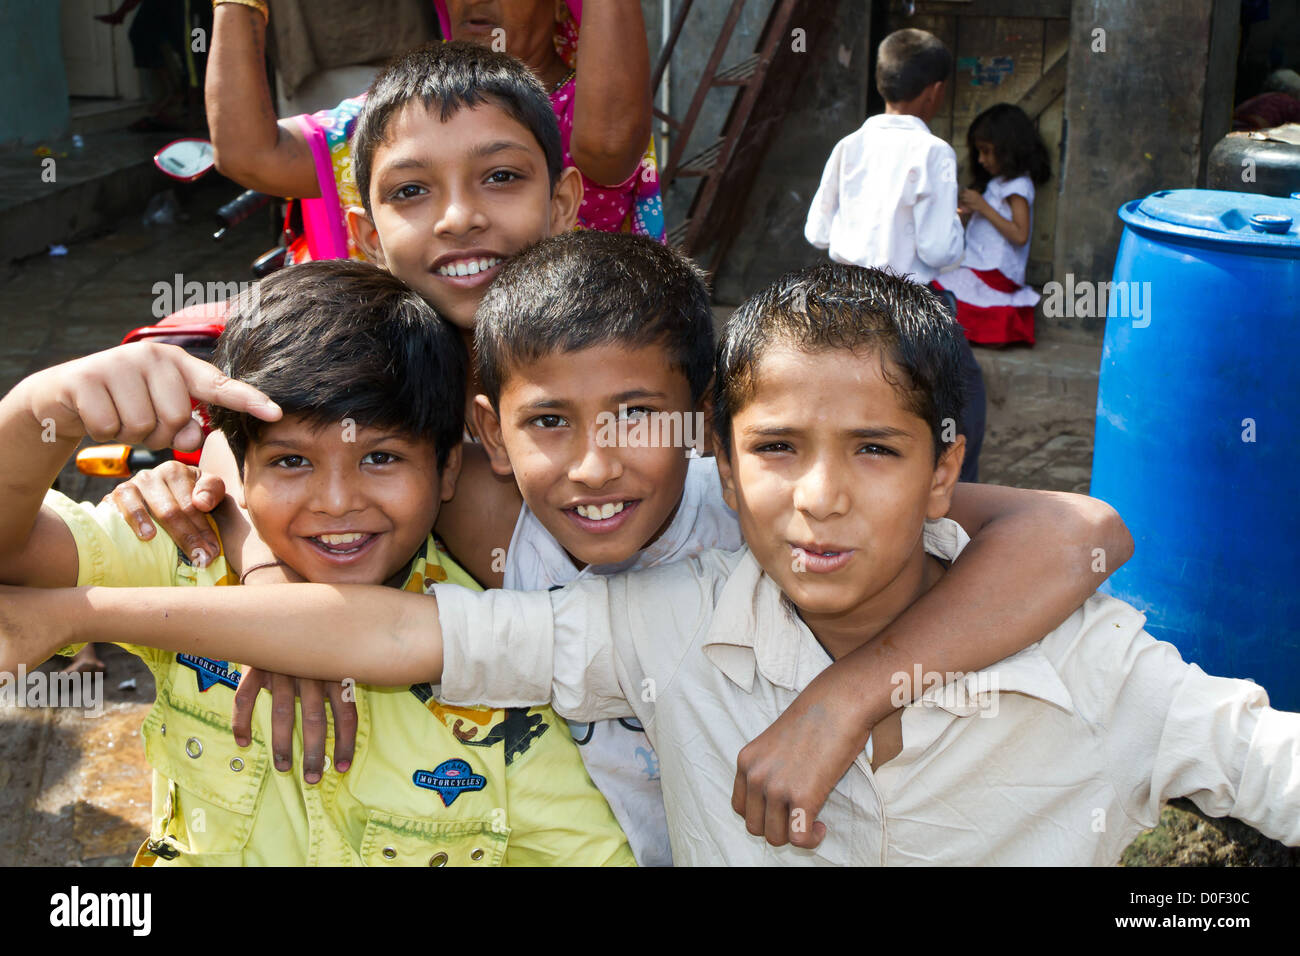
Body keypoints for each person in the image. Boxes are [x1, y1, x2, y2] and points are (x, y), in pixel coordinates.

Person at [19, 264, 1298, 865]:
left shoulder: (1097, 662)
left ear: (944, 466)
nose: (820, 496)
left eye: (873, 450)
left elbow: (1086, 532)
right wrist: (88, 593)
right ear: (726, 472)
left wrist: (848, 694)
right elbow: (401, 635)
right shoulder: (662, 617)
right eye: (779, 451)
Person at [0, 260, 633, 867]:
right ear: (237, 470)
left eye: (381, 458)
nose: (336, 503)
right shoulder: (191, 550)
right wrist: (39, 410)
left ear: (446, 470)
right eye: (291, 462)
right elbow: (14, 560)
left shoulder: (496, 663)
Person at [206, 0, 660, 261]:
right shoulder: (404, 113)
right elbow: (250, 153)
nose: (458, 221)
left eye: (503, 175)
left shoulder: (584, 116)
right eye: (411, 190)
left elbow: (611, 143)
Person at [805, 28, 986, 482]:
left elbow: (817, 230)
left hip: (843, 302)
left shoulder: (848, 146)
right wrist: (956, 222)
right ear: (936, 92)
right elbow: (938, 249)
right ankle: (951, 498)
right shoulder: (933, 152)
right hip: (909, 306)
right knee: (963, 403)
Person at [931, 103, 1050, 347]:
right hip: (979, 265)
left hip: (996, 272)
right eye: (978, 153)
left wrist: (983, 207)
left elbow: (1020, 234)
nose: (981, 160)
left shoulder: (1017, 187)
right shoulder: (996, 183)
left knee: (941, 293)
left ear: (1009, 150)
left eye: (986, 152)